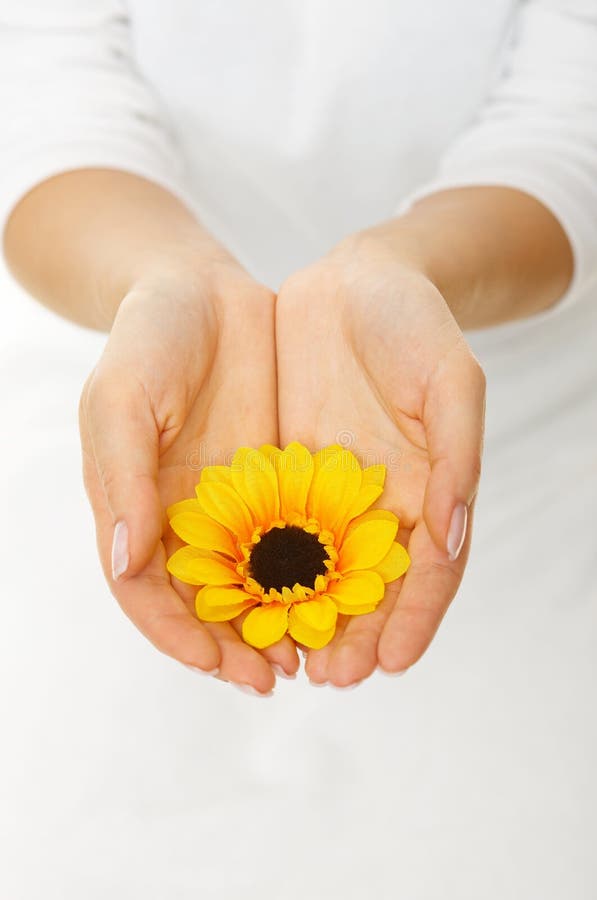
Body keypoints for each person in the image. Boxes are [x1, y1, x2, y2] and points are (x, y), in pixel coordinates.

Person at [2, 2, 596, 896]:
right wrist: (165, 279)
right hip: (128, 338)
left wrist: (404, 269)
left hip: (479, 362)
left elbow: (568, 117)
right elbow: (43, 89)